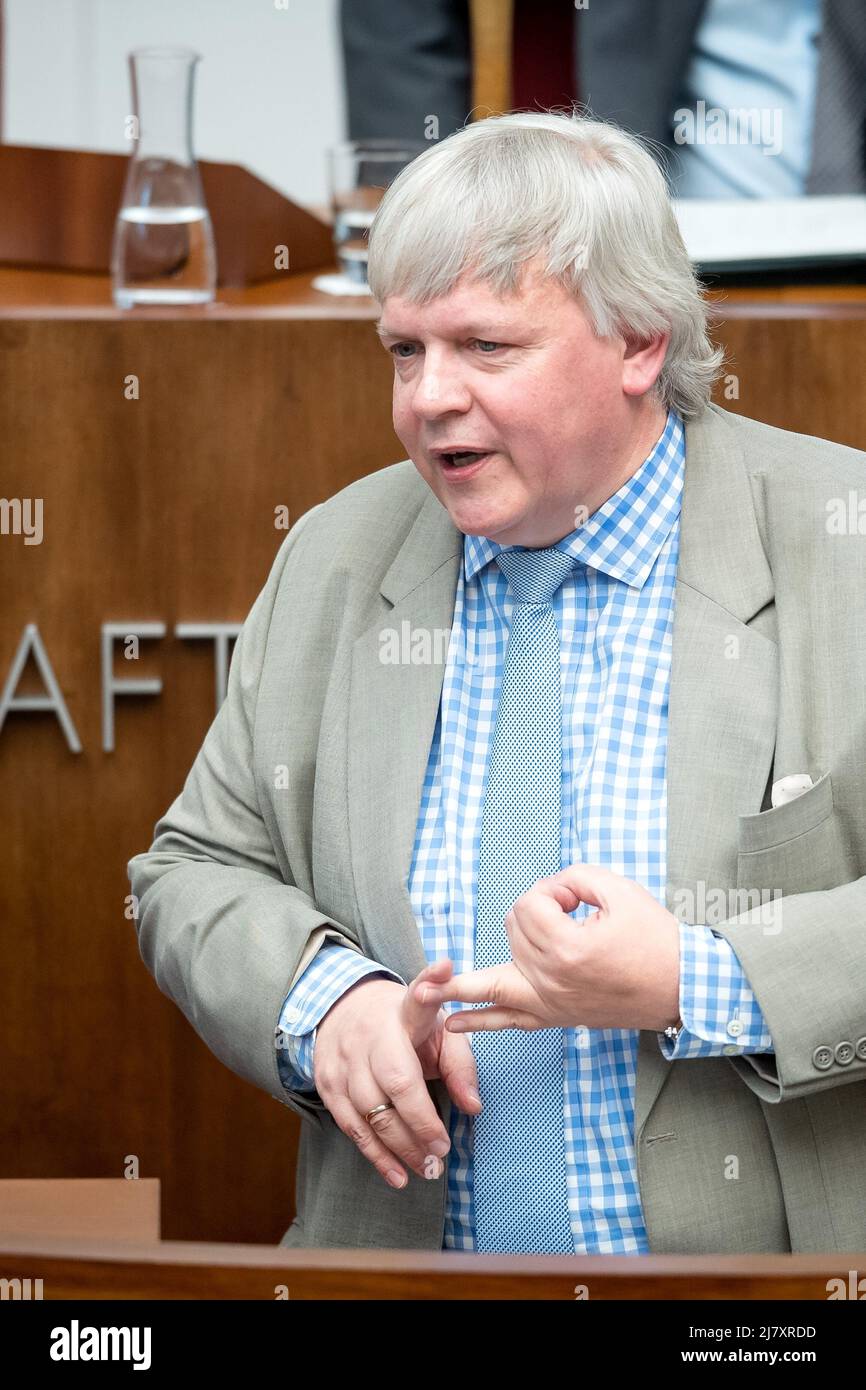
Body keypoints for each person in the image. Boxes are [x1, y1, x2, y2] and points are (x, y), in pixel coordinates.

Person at [128, 109, 866, 1254]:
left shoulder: (841, 538)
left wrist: (698, 974)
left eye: (485, 347)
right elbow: (193, 870)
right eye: (403, 350)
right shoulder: (335, 552)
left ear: (637, 343)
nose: (427, 398)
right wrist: (326, 1003)